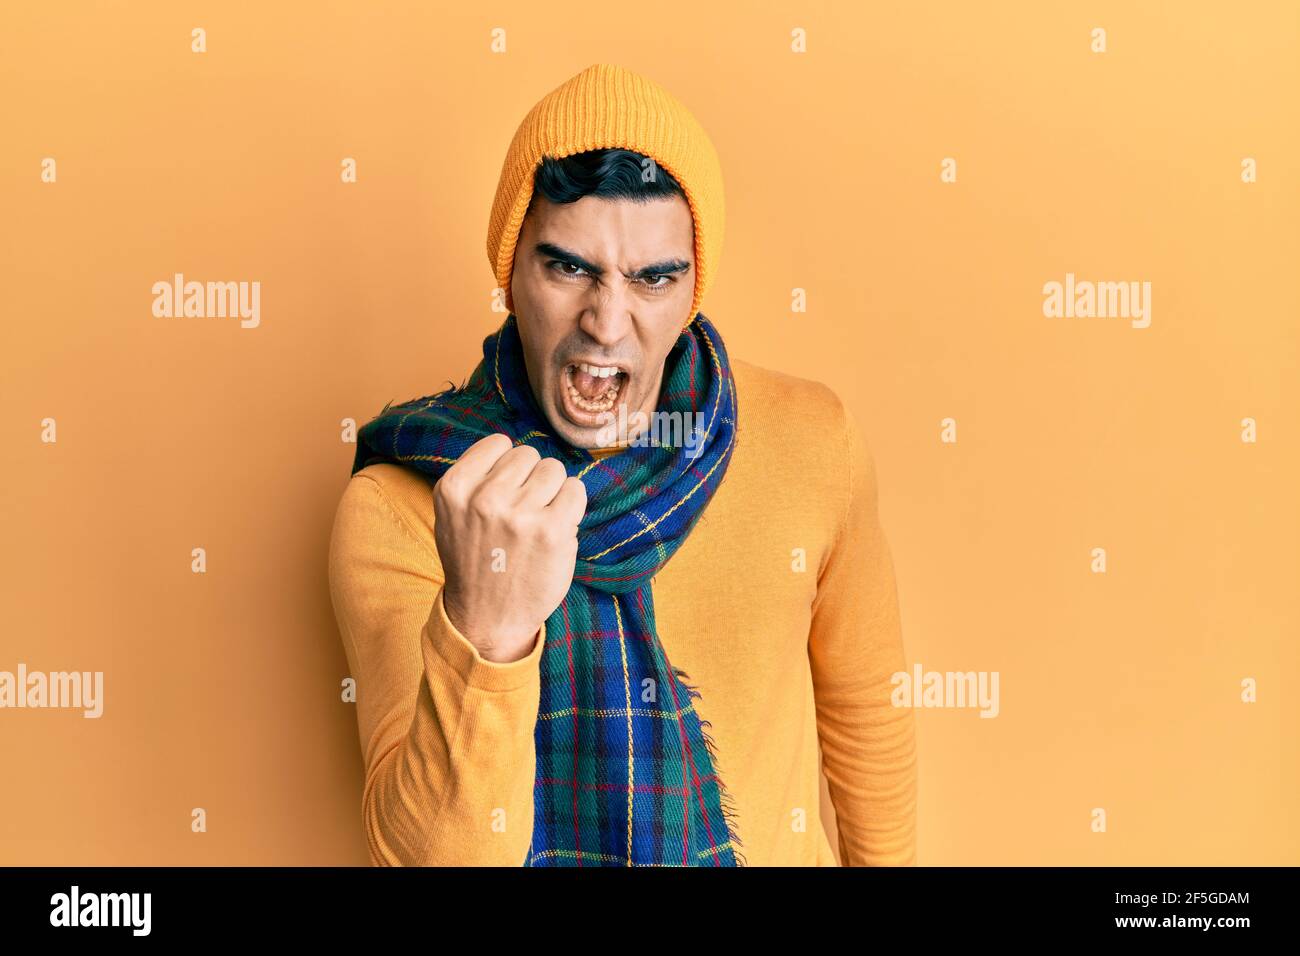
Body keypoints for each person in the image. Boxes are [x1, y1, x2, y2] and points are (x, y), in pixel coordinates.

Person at [327, 62, 917, 866]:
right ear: (509, 270)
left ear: (693, 287)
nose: (607, 323)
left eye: (653, 277)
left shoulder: (813, 438)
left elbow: (867, 714)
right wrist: (486, 630)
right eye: (568, 267)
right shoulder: (405, 504)